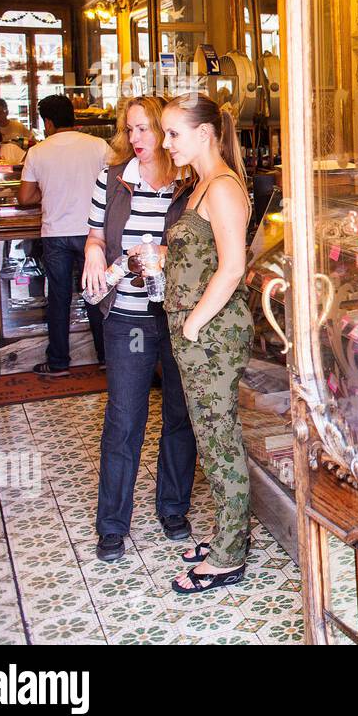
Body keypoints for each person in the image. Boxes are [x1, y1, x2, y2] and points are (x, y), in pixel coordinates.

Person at [83, 95, 197, 562]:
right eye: (129, 130)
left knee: (179, 415)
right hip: (128, 315)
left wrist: (166, 258)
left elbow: (200, 252)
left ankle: (173, 508)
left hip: (177, 314)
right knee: (124, 418)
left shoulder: (189, 185)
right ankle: (112, 525)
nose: (135, 140)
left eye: (144, 130)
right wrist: (93, 250)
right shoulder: (112, 180)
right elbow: (94, 233)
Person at [156, 93, 254, 593]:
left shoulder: (221, 188)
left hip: (211, 333)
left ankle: (229, 554)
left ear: (205, 134)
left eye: (174, 133)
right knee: (209, 437)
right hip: (195, 331)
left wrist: (192, 324)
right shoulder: (200, 186)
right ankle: (226, 535)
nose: (165, 142)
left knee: (219, 440)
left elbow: (234, 267)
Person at [17, 94, 109, 376]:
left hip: (55, 233)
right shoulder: (98, 146)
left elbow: (24, 197)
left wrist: (48, 192)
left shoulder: (38, 151)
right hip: (92, 233)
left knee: (58, 299)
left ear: (48, 122)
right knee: (96, 294)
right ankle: (106, 358)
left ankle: (58, 362)